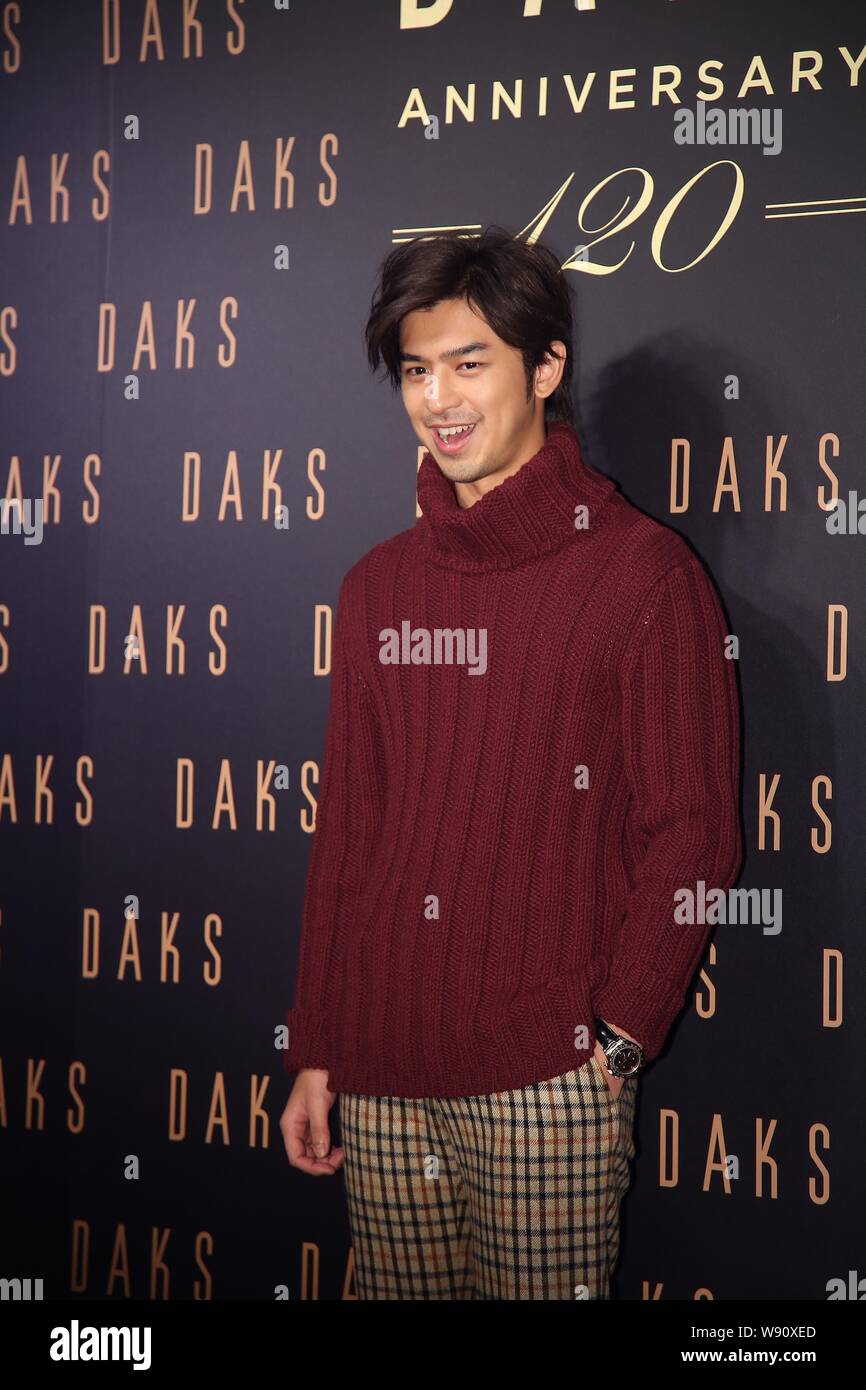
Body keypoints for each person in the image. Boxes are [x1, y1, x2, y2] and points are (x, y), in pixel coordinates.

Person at [279, 226, 742, 1299]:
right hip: (383, 1073)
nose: (436, 397)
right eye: (414, 368)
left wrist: (616, 1041)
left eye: (468, 361)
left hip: (548, 1080)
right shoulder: (376, 588)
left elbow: (692, 828)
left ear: (544, 368)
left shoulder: (640, 575)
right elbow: (353, 825)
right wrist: (320, 1042)